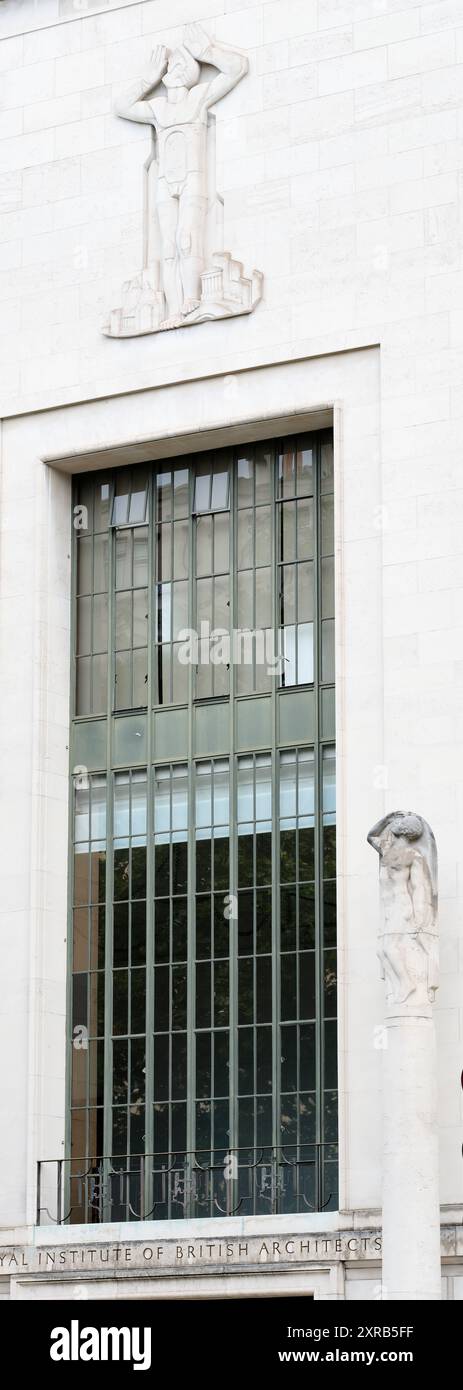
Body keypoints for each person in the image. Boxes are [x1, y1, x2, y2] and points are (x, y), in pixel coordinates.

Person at [116, 23, 248, 327]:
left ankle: (192, 299)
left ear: (190, 72)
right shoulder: (158, 107)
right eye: (171, 65)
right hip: (166, 181)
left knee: (186, 238)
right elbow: (121, 105)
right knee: (167, 247)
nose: (173, 68)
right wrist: (146, 80)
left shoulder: (198, 97)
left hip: (192, 177)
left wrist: (209, 53)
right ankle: (174, 311)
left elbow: (237, 68)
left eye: (180, 64)